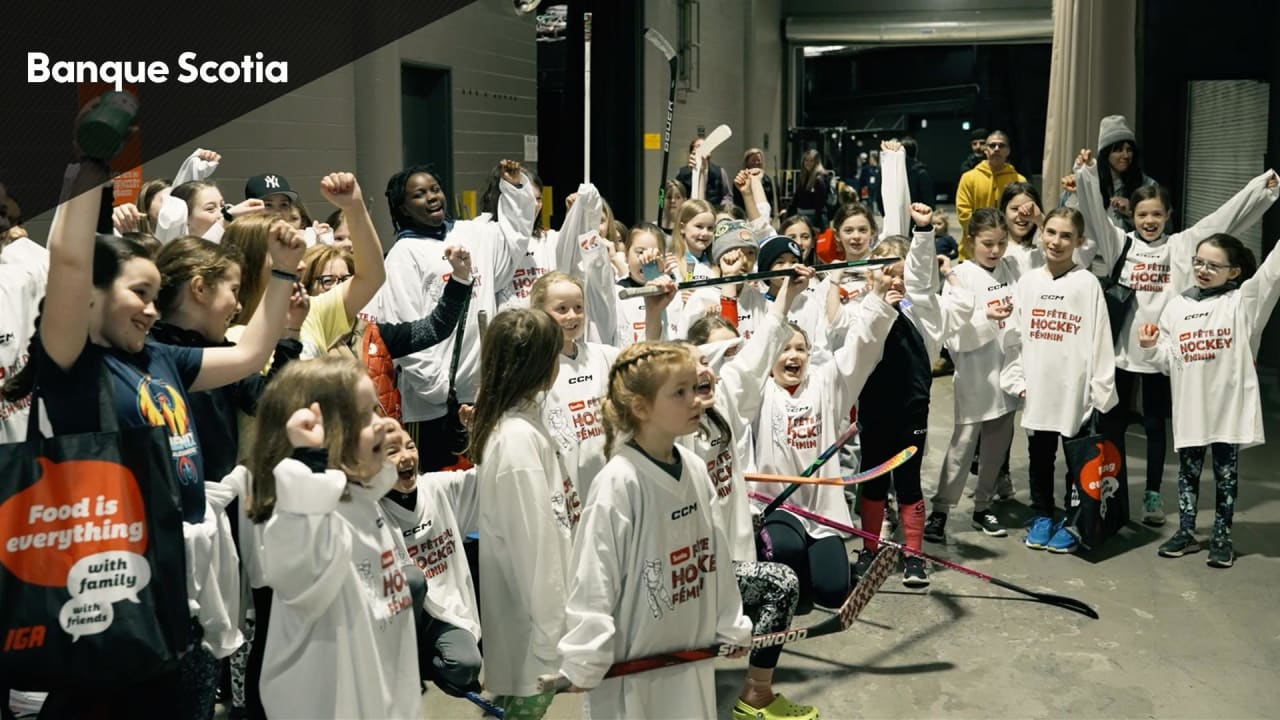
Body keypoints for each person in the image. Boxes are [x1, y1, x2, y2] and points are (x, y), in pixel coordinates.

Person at [5, 159, 303, 718]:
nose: (150, 309)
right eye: (138, 293)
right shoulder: (75, 364)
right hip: (113, 588)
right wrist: (88, 168)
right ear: (89, 296)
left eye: (156, 294)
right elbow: (69, 258)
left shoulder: (159, 356)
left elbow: (248, 355)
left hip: (174, 584)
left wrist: (284, 272)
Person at [1075, 150, 1278, 525]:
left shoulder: (1184, 246)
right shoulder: (1120, 244)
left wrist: (1260, 189)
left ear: (1168, 215)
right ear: (1131, 217)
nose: (1149, 221)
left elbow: (1227, 216)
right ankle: (1111, 490)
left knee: (1155, 426)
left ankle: (1153, 495)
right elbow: (1094, 214)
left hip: (1165, 354)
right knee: (1112, 424)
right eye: (1142, 214)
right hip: (1121, 352)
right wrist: (1086, 174)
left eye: (1156, 214)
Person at [556, 342, 752, 719]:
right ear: (641, 407)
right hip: (633, 675)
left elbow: (715, 557)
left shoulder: (694, 467)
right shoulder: (619, 482)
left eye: (694, 389)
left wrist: (730, 622)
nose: (696, 400)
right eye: (680, 393)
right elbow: (593, 577)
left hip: (689, 660)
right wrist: (586, 652)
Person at [242, 357, 414, 719]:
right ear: (329, 435)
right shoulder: (306, 520)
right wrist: (310, 461)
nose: (383, 422)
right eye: (366, 415)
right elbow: (301, 561)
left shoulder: (359, 501)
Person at [376, 159, 535, 471]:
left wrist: (515, 189)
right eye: (419, 194)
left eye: (434, 189)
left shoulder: (472, 233)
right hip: (432, 406)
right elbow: (407, 328)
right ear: (404, 208)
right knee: (441, 487)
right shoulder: (402, 256)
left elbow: (515, 239)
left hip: (481, 391)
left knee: (487, 478)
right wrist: (437, 390)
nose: (432, 197)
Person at [843, 205, 973, 586]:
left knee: (909, 482)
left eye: (902, 273)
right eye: (888, 272)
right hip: (873, 410)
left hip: (910, 413)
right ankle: (869, 549)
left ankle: (914, 555)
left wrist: (923, 231)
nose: (897, 280)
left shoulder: (924, 311)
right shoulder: (869, 309)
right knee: (873, 482)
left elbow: (917, 271)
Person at [1140, 234, 1280, 568]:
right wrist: (1150, 346)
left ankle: (1222, 537)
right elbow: (1167, 358)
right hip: (1191, 407)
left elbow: (1272, 272)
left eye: (1213, 265)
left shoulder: (1243, 302)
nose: (1203, 270)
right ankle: (1186, 532)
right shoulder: (1177, 306)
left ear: (1233, 272)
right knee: (1187, 473)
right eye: (1199, 262)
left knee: (1225, 476)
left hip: (1226, 409)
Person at [471, 309, 578, 719]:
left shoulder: (526, 425)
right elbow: (536, 551)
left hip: (543, 624)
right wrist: (554, 634)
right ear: (540, 364)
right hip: (535, 630)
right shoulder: (517, 441)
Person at [999, 207, 1117, 554]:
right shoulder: (1029, 281)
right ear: (1041, 234)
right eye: (1050, 232)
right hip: (1038, 387)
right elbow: (1014, 336)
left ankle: (1073, 517)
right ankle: (1042, 515)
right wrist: (1017, 380)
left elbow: (1100, 339)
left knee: (1076, 459)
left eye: (1066, 236)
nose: (1056, 241)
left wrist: (1098, 390)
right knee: (1040, 456)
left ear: (1079, 242)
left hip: (1075, 389)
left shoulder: (1087, 283)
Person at [924, 208, 1020, 543]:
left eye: (1001, 243)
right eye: (987, 243)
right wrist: (986, 316)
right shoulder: (961, 275)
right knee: (962, 446)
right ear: (970, 240)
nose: (995, 251)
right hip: (975, 374)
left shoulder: (1012, 268)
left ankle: (983, 506)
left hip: (1007, 375)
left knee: (997, 446)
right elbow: (951, 333)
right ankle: (940, 511)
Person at [378, 428, 484, 695]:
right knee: (410, 578)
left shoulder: (436, 487)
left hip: (442, 610)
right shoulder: (366, 507)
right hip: (391, 620)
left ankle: (422, 661)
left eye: (410, 446)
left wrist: (480, 431)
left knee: (466, 667)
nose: (406, 456)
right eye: (392, 452)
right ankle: (398, 659)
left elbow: (490, 479)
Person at [532, 271, 620, 501]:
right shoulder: (531, 370)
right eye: (562, 309)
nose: (573, 315)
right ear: (539, 312)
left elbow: (648, 364)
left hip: (607, 485)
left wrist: (654, 312)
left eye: (578, 307)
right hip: (563, 491)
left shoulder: (602, 356)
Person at [1061, 115, 1157, 233]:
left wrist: (1132, 213)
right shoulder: (1087, 180)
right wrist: (1077, 192)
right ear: (1105, 154)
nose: (1126, 156)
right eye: (1118, 150)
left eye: (1129, 150)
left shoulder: (1148, 185)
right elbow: (1061, 220)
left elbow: (1165, 229)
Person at [956, 130, 1027, 253]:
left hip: (1009, 251)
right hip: (973, 252)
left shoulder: (1019, 180)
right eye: (992, 145)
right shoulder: (968, 178)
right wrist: (986, 240)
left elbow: (1022, 216)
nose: (997, 149)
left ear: (1008, 151)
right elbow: (964, 214)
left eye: (1001, 145)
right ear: (986, 150)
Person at [675, 135, 733, 209]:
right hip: (688, 213)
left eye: (706, 145)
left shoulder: (719, 172)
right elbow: (676, 195)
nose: (703, 148)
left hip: (714, 213)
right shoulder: (682, 173)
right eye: (698, 146)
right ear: (692, 151)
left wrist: (721, 210)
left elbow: (727, 195)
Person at [786, 149, 830, 229]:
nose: (808, 163)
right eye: (806, 160)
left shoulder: (819, 178)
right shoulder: (804, 175)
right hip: (801, 215)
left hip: (813, 218)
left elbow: (820, 203)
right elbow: (797, 196)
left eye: (811, 161)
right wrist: (788, 211)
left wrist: (817, 224)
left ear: (817, 162)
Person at [731, 147, 777, 212]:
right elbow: (737, 201)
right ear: (747, 162)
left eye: (758, 160)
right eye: (753, 160)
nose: (756, 163)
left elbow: (770, 200)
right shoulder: (741, 179)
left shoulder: (766, 179)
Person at [902, 137, 934, 207]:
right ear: (916, 152)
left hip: (899, 215)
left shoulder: (898, 174)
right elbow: (928, 200)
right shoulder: (922, 173)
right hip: (919, 215)